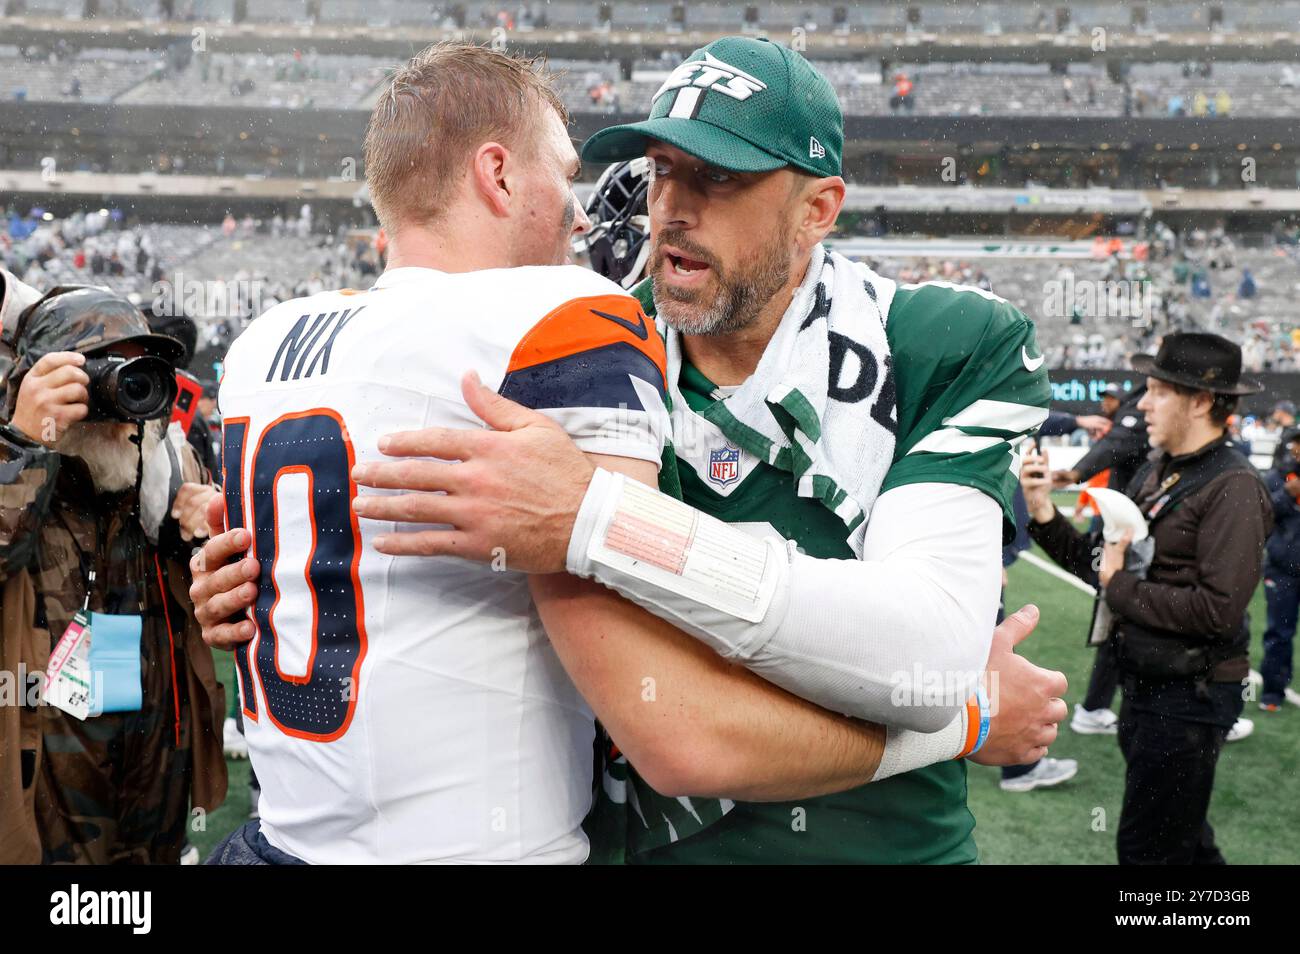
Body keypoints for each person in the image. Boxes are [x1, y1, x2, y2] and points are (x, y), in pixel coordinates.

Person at [194, 37, 1065, 864]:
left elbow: (925, 653)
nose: (671, 209)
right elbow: (684, 734)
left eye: (718, 178)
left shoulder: (941, 339)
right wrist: (272, 576)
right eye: (662, 173)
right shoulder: (568, 344)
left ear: (818, 209)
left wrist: (603, 522)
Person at [0, 278, 226, 864]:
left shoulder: (156, 477)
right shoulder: (18, 463)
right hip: (41, 789)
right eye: (99, 371)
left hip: (150, 785)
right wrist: (25, 441)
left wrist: (202, 527)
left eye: (135, 373)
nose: (119, 395)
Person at [1022, 332, 1270, 864]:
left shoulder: (1234, 487)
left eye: (1157, 392)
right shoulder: (1159, 471)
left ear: (1202, 402)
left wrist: (1120, 586)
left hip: (1191, 695)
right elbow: (1098, 563)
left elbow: (1217, 610)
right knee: (1184, 841)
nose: (1143, 405)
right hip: (1148, 686)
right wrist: (1042, 511)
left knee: (1149, 851)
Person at [1260, 427, 1300, 711]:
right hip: (1282, 568)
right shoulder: (1277, 476)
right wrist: (1287, 494)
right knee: (1279, 633)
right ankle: (1272, 693)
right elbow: (1261, 512)